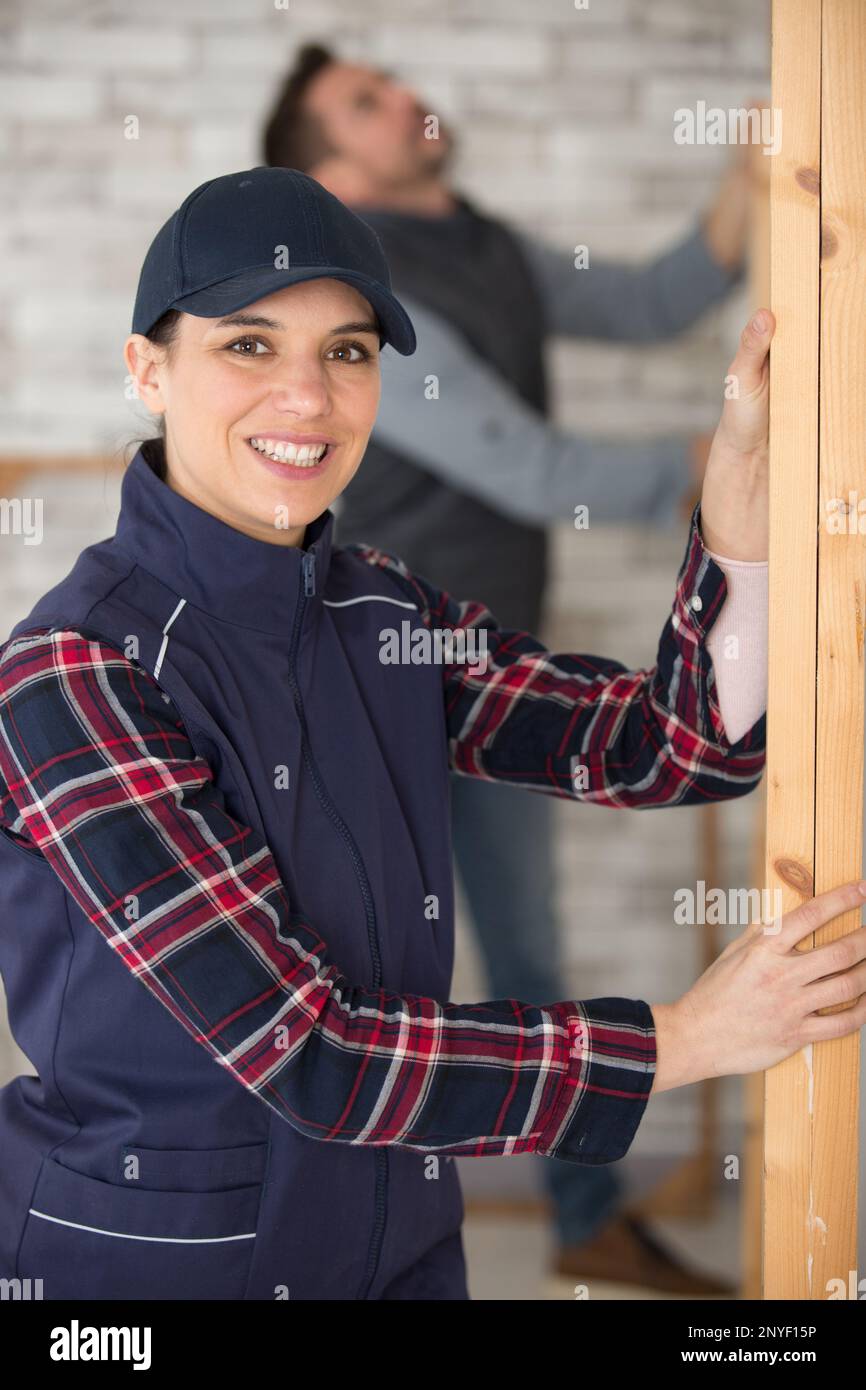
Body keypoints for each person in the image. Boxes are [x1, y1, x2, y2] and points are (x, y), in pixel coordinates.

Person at [0, 166, 864, 1304]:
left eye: (347, 352)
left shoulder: (383, 613)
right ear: (147, 370)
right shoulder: (77, 672)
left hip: (398, 1249)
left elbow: (669, 745)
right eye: (249, 346)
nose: (306, 396)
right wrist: (688, 1036)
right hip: (150, 1277)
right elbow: (312, 1053)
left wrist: (739, 511)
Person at [261, 46, 762, 1292]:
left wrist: (754, 181)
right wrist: (744, 470)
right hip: (374, 686)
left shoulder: (483, 241)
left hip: (488, 680)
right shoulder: (355, 293)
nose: (402, 96)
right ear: (326, 161)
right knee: (345, 980)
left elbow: (651, 301)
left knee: (527, 957)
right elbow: (530, 468)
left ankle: (584, 1217)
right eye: (364, 100)